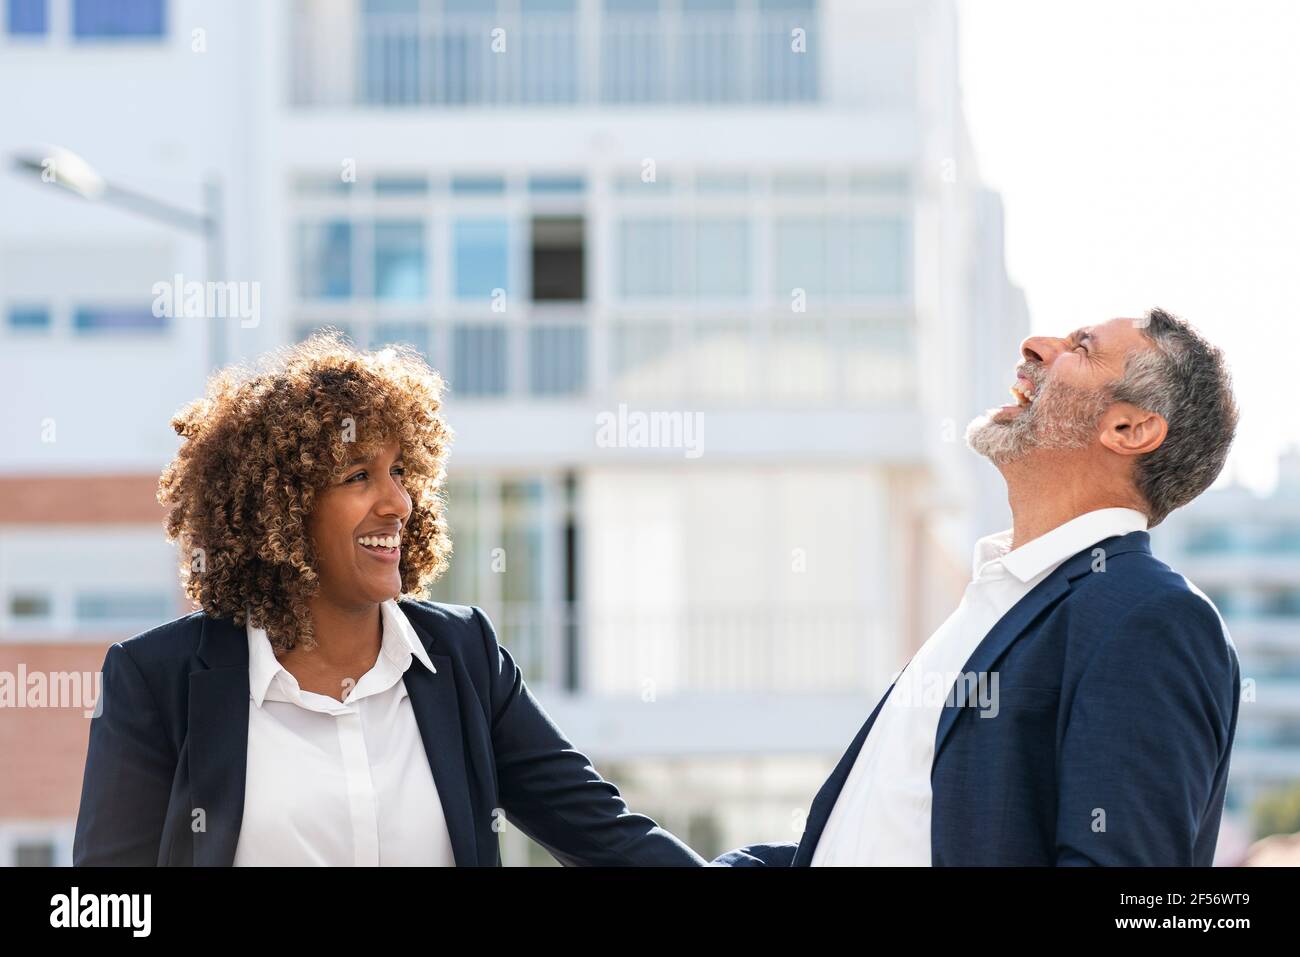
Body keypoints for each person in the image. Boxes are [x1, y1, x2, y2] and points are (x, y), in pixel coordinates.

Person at [73, 332, 704, 867]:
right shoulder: (159, 682)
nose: (398, 502)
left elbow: (609, 839)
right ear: (281, 510)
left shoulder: (465, 659)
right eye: (359, 476)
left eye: (401, 472)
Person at [715, 308, 1242, 866]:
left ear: (1129, 429)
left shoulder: (1149, 617)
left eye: (1080, 347)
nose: (1035, 346)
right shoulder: (993, 602)